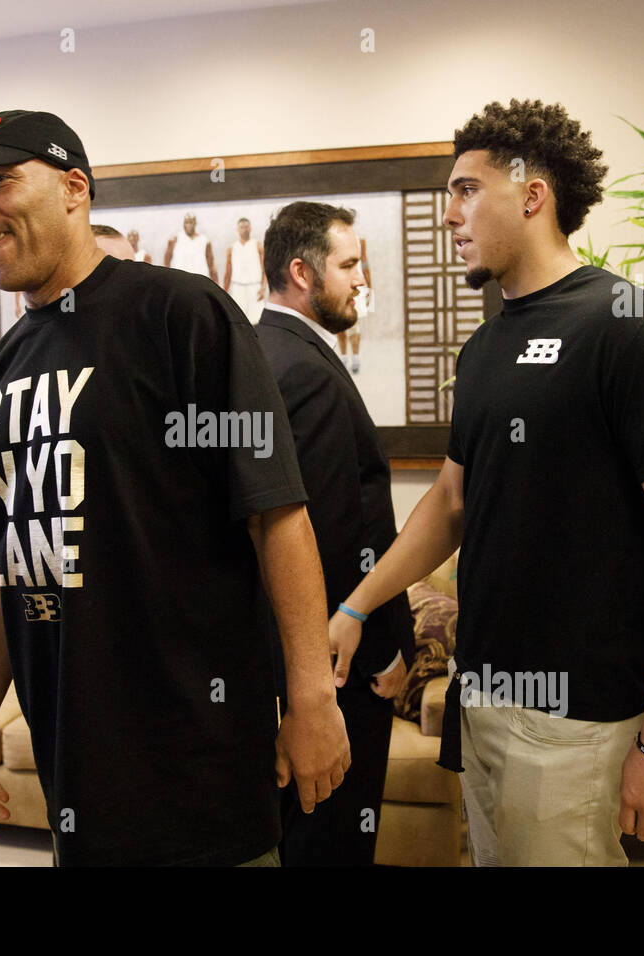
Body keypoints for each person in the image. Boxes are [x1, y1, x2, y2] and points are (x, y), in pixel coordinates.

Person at [0, 109, 350, 866]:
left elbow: (276, 513)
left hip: (200, 767)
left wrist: (312, 694)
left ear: (75, 189)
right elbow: (2, 563)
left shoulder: (181, 314)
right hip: (75, 774)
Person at [330, 99, 644, 866]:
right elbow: (452, 501)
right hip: (483, 698)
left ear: (531, 194)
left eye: (464, 190)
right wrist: (360, 602)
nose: (448, 214)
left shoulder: (629, 327)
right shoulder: (485, 347)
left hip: (577, 721)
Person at [257, 202, 414, 865]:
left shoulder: (257, 354)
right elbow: (329, 534)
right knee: (331, 846)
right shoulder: (306, 373)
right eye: (349, 265)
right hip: (340, 670)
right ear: (302, 272)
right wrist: (386, 646)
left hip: (292, 668)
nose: (360, 280)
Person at [334, 237, 371, 373]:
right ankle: (344, 357)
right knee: (340, 324)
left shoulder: (360, 240)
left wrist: (369, 286)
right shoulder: (335, 238)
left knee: (354, 325)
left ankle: (355, 358)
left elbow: (365, 262)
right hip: (341, 285)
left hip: (358, 285)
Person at [223, 217, 266, 324]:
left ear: (250, 228)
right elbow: (228, 272)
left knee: (257, 320)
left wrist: (263, 287)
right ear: (238, 229)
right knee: (239, 320)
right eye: (242, 227)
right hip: (237, 288)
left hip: (254, 287)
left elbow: (264, 268)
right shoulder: (232, 248)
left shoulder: (257, 245)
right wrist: (224, 291)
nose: (244, 230)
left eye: (246, 227)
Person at [164, 212, 217, 282]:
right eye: (186, 222)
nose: (188, 225)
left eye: (190, 222)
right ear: (183, 224)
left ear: (195, 223)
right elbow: (166, 262)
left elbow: (211, 265)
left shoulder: (204, 240)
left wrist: (215, 282)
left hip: (199, 281)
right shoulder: (175, 239)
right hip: (180, 281)